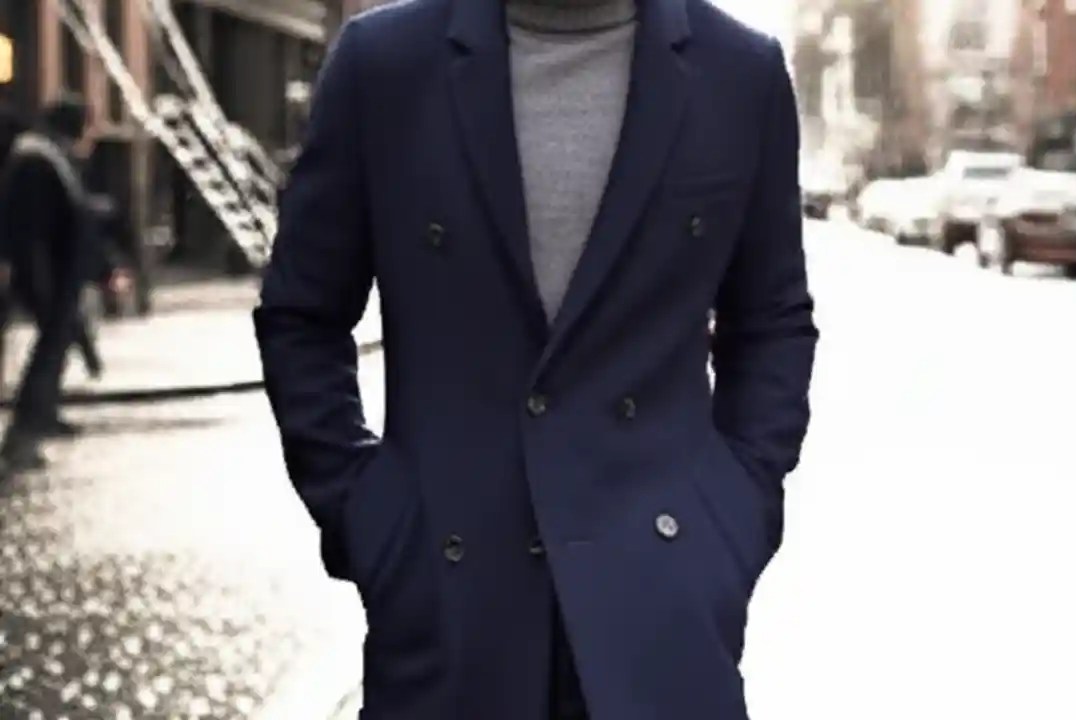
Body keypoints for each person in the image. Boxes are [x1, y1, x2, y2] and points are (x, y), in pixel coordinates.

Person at [254, 0, 817, 718]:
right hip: (451, 600)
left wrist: (735, 510)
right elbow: (302, 312)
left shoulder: (741, 72)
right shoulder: (385, 65)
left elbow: (771, 318)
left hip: (661, 599)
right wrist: (370, 514)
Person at [0, 96, 123, 471]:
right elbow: (38, 224)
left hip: (47, 271)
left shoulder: (48, 156)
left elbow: (75, 219)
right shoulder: (41, 158)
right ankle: (25, 434)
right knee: (51, 346)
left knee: (58, 341)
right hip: (41, 272)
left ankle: (40, 419)